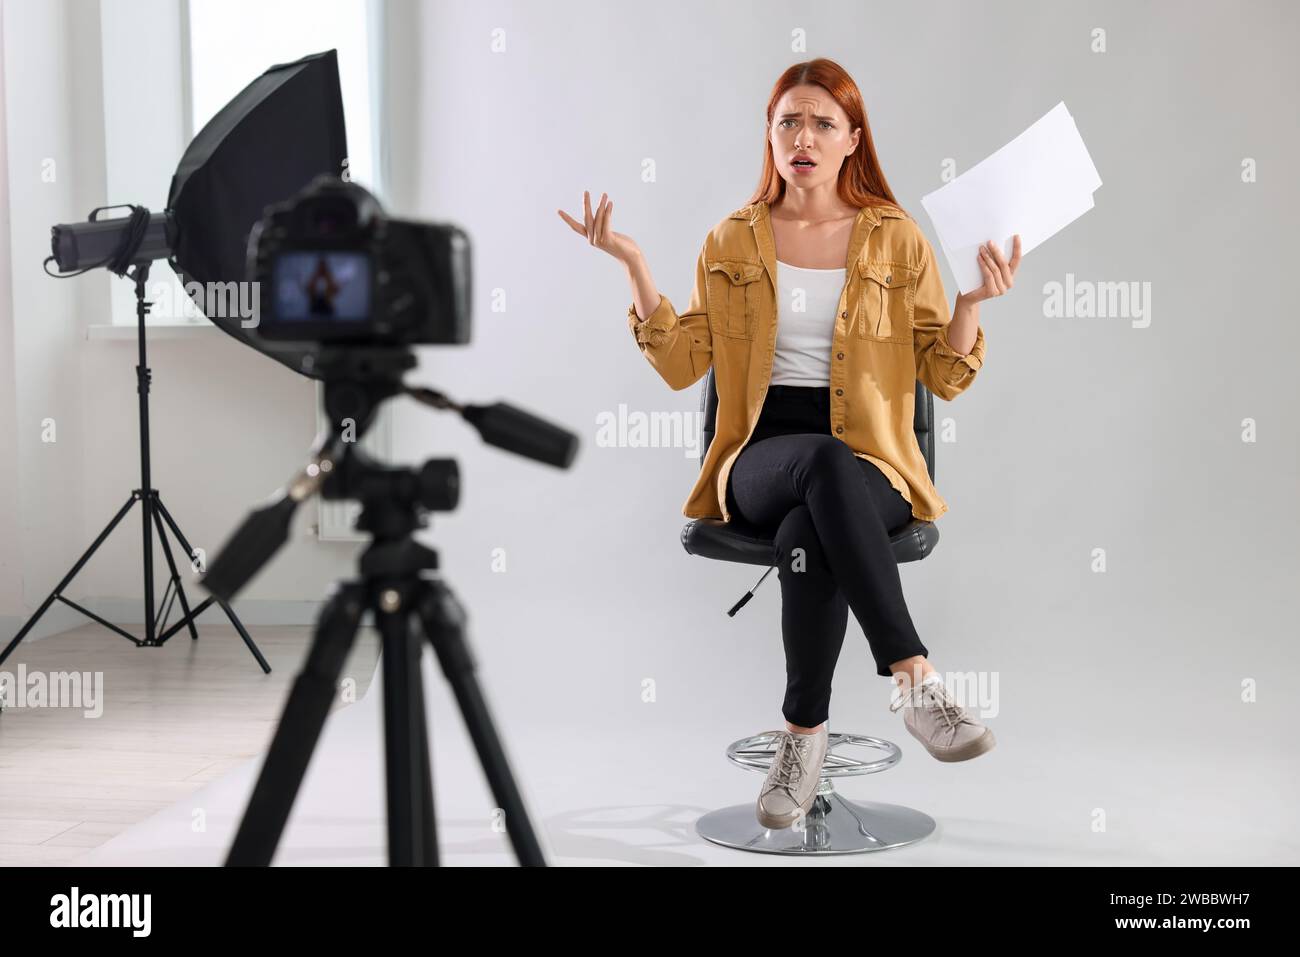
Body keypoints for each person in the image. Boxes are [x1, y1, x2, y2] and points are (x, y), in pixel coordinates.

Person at [559, 57, 1021, 831]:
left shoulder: (898, 241)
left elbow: (945, 374)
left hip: (872, 464)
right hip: (759, 461)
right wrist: (635, 266)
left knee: (818, 517)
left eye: (821, 123)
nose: (802, 136)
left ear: (852, 139)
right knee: (816, 464)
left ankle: (802, 737)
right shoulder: (732, 238)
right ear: (769, 136)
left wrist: (971, 300)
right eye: (787, 122)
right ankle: (916, 681)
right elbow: (681, 364)